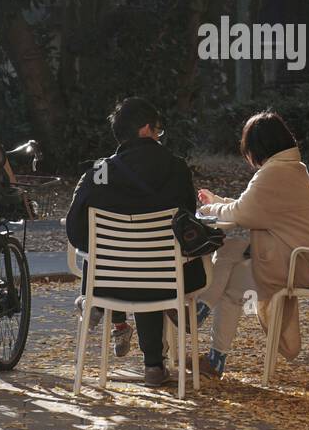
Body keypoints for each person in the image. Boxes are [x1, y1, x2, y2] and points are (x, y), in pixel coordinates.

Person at [66, 97, 207, 387]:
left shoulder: (98, 174)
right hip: (165, 279)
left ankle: (93, 305)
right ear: (145, 130)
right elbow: (186, 222)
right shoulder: (177, 168)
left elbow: (76, 230)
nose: (159, 136)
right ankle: (154, 365)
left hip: (109, 282)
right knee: (153, 267)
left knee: (125, 265)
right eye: (158, 130)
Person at [196, 111, 309, 377]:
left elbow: (244, 213)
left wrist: (210, 208)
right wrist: (217, 202)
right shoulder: (292, 169)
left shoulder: (274, 174)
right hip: (306, 259)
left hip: (298, 264)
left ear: (257, 149)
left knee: (231, 272)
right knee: (232, 254)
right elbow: (252, 208)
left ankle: (205, 321)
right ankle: (208, 332)